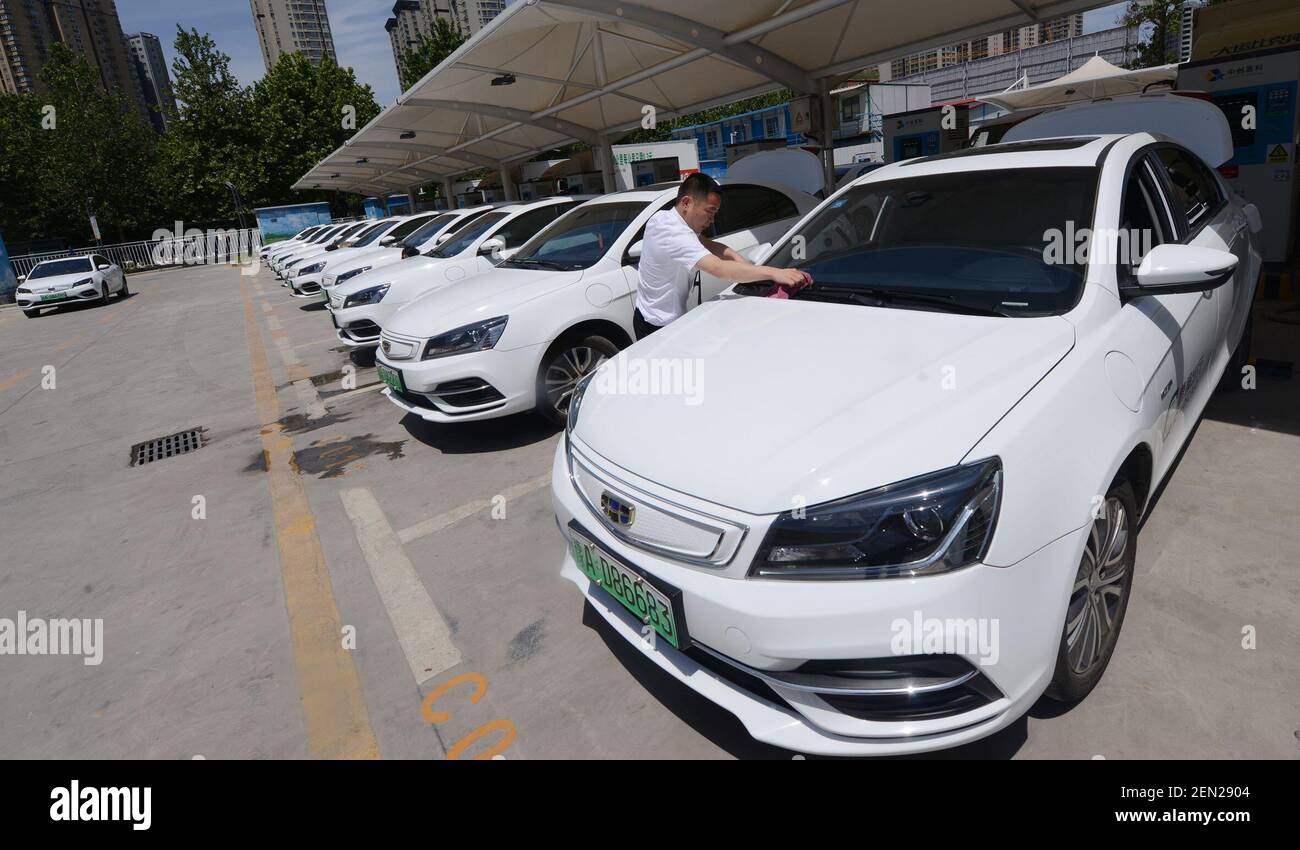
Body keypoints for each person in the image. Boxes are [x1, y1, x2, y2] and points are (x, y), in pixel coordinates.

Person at [633, 173, 807, 339]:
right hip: (658, 326)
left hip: (647, 314)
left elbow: (709, 245)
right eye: (710, 211)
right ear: (686, 203)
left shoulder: (663, 218)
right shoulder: (674, 233)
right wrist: (774, 273)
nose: (712, 220)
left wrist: (741, 261)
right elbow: (719, 269)